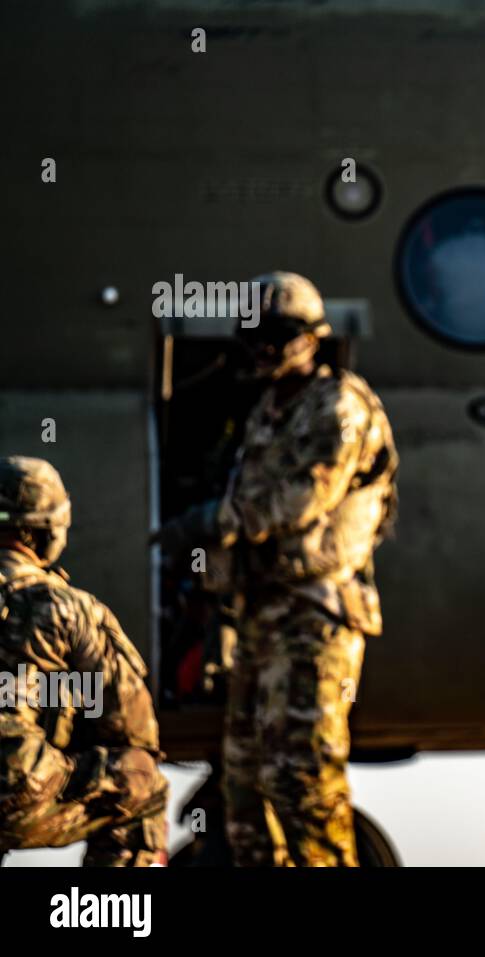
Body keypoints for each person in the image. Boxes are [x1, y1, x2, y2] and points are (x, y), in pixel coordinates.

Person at [156, 272, 397, 866]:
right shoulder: (268, 410)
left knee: (302, 779)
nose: (264, 346)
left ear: (310, 336)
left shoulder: (340, 403)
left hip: (315, 613)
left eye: (277, 333)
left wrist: (214, 519)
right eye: (255, 335)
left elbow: (300, 499)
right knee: (245, 787)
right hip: (262, 613)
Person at [0, 456, 168, 866]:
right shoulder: (68, 609)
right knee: (142, 782)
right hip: (15, 799)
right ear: (48, 532)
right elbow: (132, 731)